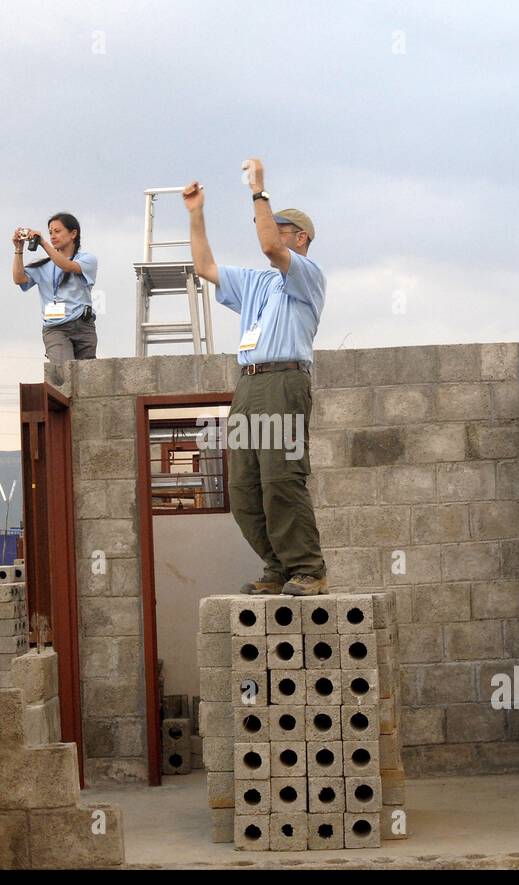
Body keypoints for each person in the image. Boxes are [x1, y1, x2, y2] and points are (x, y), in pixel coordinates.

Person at [183, 159, 328, 597]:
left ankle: (308, 568)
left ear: (300, 238)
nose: (269, 231)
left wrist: (258, 191)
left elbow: (268, 247)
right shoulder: (256, 282)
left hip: (284, 380)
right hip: (248, 382)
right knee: (244, 486)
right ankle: (278, 567)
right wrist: (196, 213)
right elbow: (205, 266)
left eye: (280, 228)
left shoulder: (306, 274)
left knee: (282, 478)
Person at [11, 213, 99, 362]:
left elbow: (67, 266)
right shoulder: (43, 265)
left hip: (83, 325)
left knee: (87, 372)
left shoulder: (87, 259)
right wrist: (18, 249)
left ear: (73, 234)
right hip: (55, 327)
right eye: (50, 232)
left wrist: (43, 243)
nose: (52, 236)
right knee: (63, 369)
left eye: (57, 231)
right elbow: (19, 279)